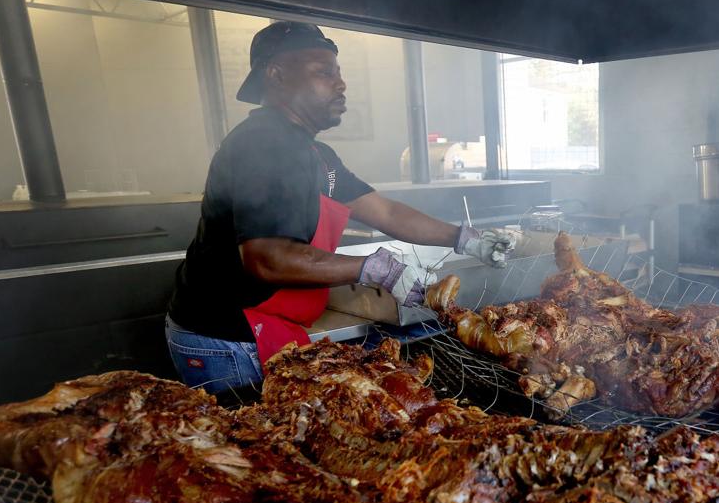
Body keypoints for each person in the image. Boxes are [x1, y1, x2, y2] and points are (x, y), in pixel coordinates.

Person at [166, 21, 516, 392]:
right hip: (226, 336)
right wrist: (374, 270)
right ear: (277, 75)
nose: (341, 83)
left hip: (266, 322)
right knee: (258, 442)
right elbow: (266, 258)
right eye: (324, 72)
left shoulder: (315, 153)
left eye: (339, 71)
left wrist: (463, 238)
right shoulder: (262, 145)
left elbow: (386, 212)